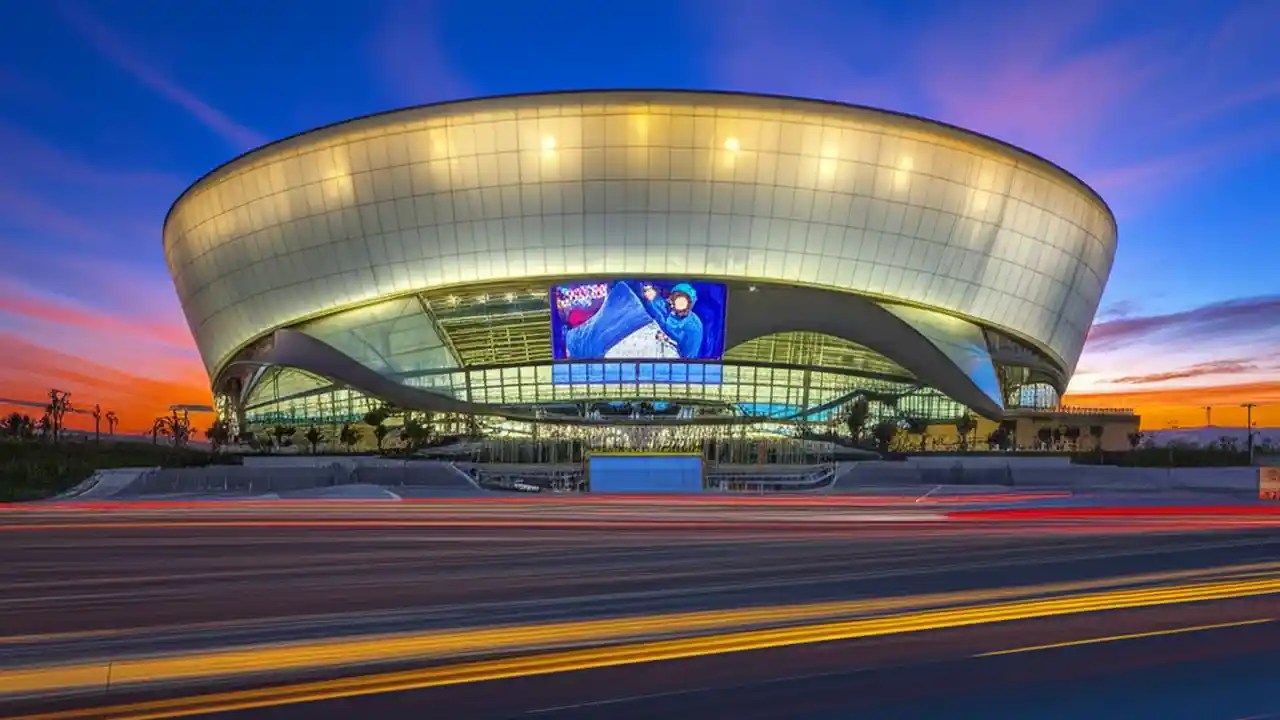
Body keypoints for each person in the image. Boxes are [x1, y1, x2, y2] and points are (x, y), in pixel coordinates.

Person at [642, 282, 704, 359]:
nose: (672, 305)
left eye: (680, 302)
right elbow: (659, 305)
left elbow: (688, 353)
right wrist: (652, 297)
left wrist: (667, 339)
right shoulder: (668, 307)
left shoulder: (693, 326)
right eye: (673, 299)